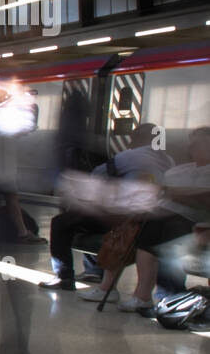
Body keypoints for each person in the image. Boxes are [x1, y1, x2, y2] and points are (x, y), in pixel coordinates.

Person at [80, 126, 210, 312]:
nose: (194, 148)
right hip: (164, 214)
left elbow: (203, 199)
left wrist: (173, 192)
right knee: (133, 227)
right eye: (193, 144)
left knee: (155, 230)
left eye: (200, 143)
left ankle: (150, 295)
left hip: (193, 220)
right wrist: (177, 193)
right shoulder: (179, 170)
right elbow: (162, 192)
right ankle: (125, 292)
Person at [42, 122, 173, 290]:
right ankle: (94, 270)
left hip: (125, 217)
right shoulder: (168, 159)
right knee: (92, 211)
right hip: (150, 220)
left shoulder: (130, 156)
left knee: (62, 221)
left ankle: (64, 276)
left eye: (132, 139)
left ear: (138, 139)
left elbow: (98, 174)